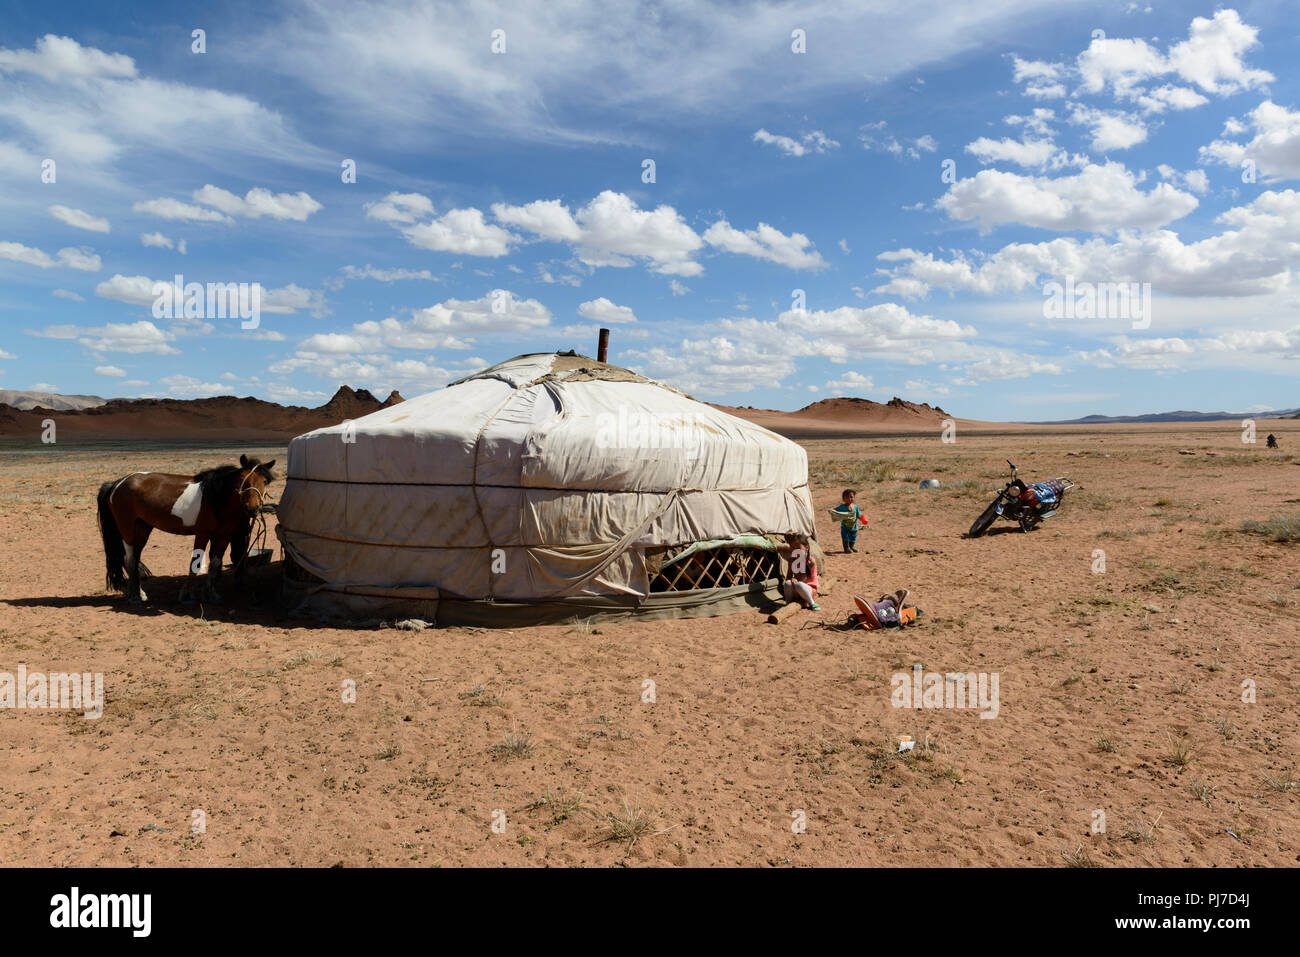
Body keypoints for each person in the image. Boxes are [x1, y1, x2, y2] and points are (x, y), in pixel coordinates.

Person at [783, 534, 820, 610]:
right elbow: (788, 577)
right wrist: (792, 579)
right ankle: (788, 603)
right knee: (787, 583)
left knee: (800, 585)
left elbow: (803, 579)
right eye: (793, 548)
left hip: (809, 589)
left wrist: (795, 579)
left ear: (806, 548)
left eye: (798, 548)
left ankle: (811, 602)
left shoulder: (810, 561)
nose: (795, 551)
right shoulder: (792, 560)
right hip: (798, 589)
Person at [838, 489, 864, 553]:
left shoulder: (855, 507)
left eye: (851, 497)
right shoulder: (842, 507)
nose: (849, 498)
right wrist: (833, 512)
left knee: (853, 537)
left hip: (854, 527)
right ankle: (846, 548)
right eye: (847, 497)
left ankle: (851, 547)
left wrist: (863, 518)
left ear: (854, 498)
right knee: (845, 537)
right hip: (845, 527)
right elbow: (836, 512)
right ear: (843, 499)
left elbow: (858, 514)